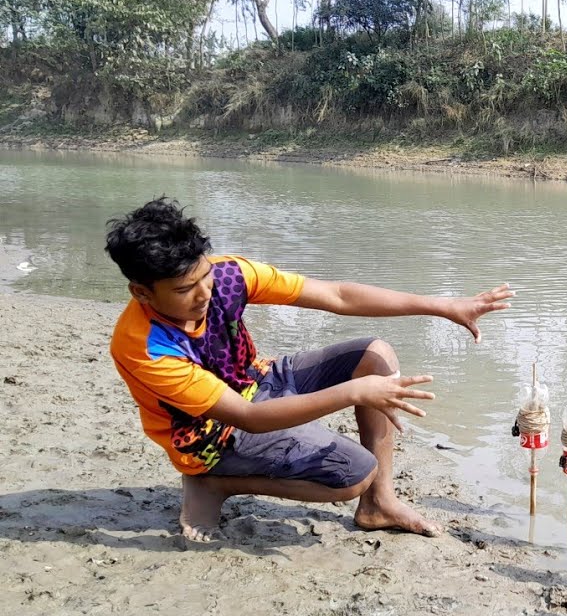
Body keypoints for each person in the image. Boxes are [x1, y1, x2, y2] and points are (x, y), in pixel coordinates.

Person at [104, 198, 513, 541]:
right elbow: (248, 417)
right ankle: (214, 482)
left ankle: (379, 504)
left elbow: (337, 295)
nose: (204, 294)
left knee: (377, 355)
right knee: (352, 475)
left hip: (258, 378)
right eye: (183, 290)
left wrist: (443, 306)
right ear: (141, 292)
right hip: (213, 433)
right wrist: (354, 393)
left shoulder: (230, 274)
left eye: (204, 277)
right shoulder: (145, 348)